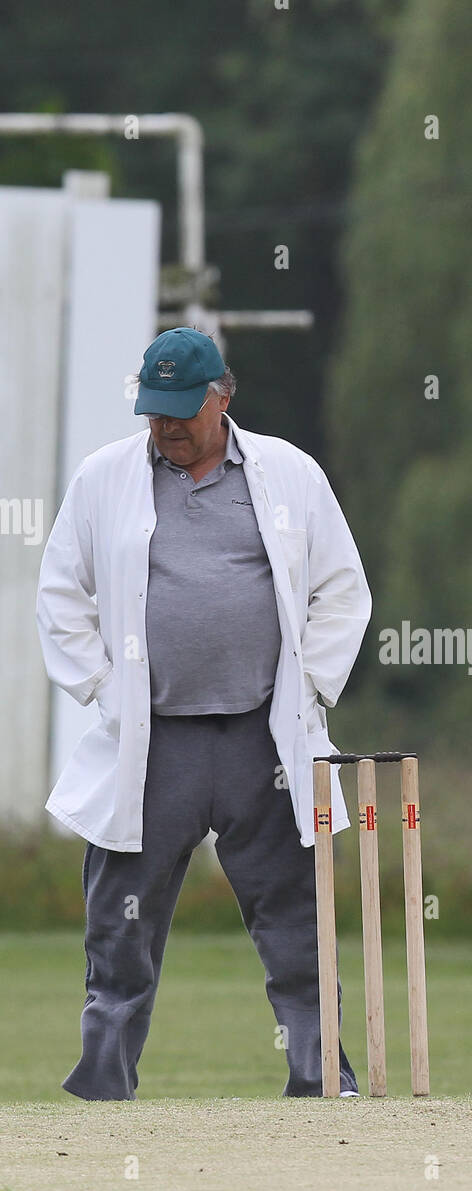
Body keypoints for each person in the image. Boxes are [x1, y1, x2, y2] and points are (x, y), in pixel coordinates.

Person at [36, 327, 370, 1097]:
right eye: (155, 412)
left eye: (183, 411)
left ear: (223, 396)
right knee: (120, 922)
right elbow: (60, 593)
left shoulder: (290, 472)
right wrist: (102, 687)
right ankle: (104, 1080)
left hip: (266, 739)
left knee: (295, 916)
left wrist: (312, 687)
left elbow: (342, 589)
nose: (168, 427)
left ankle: (322, 1077)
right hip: (152, 744)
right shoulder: (103, 478)